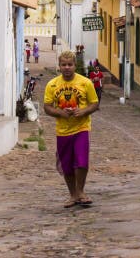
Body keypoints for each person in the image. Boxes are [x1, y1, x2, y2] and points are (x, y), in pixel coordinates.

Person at [43, 50, 99, 208]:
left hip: (81, 127)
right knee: (66, 164)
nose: (67, 67)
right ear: (59, 66)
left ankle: (81, 191)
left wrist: (84, 111)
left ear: (75, 66)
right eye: (64, 65)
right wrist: (60, 113)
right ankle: (73, 195)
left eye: (70, 64)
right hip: (62, 130)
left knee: (81, 162)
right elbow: (47, 107)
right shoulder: (52, 85)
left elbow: (94, 103)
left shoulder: (85, 83)